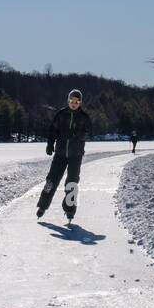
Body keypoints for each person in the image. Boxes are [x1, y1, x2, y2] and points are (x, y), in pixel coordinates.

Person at [37, 90, 93, 221]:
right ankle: (42, 206)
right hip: (60, 154)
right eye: (72, 101)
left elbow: (90, 133)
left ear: (80, 103)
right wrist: (50, 144)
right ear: (68, 101)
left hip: (76, 155)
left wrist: (77, 136)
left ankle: (70, 209)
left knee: (72, 184)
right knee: (51, 180)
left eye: (77, 101)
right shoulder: (61, 114)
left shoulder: (84, 117)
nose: (74, 103)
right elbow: (53, 130)